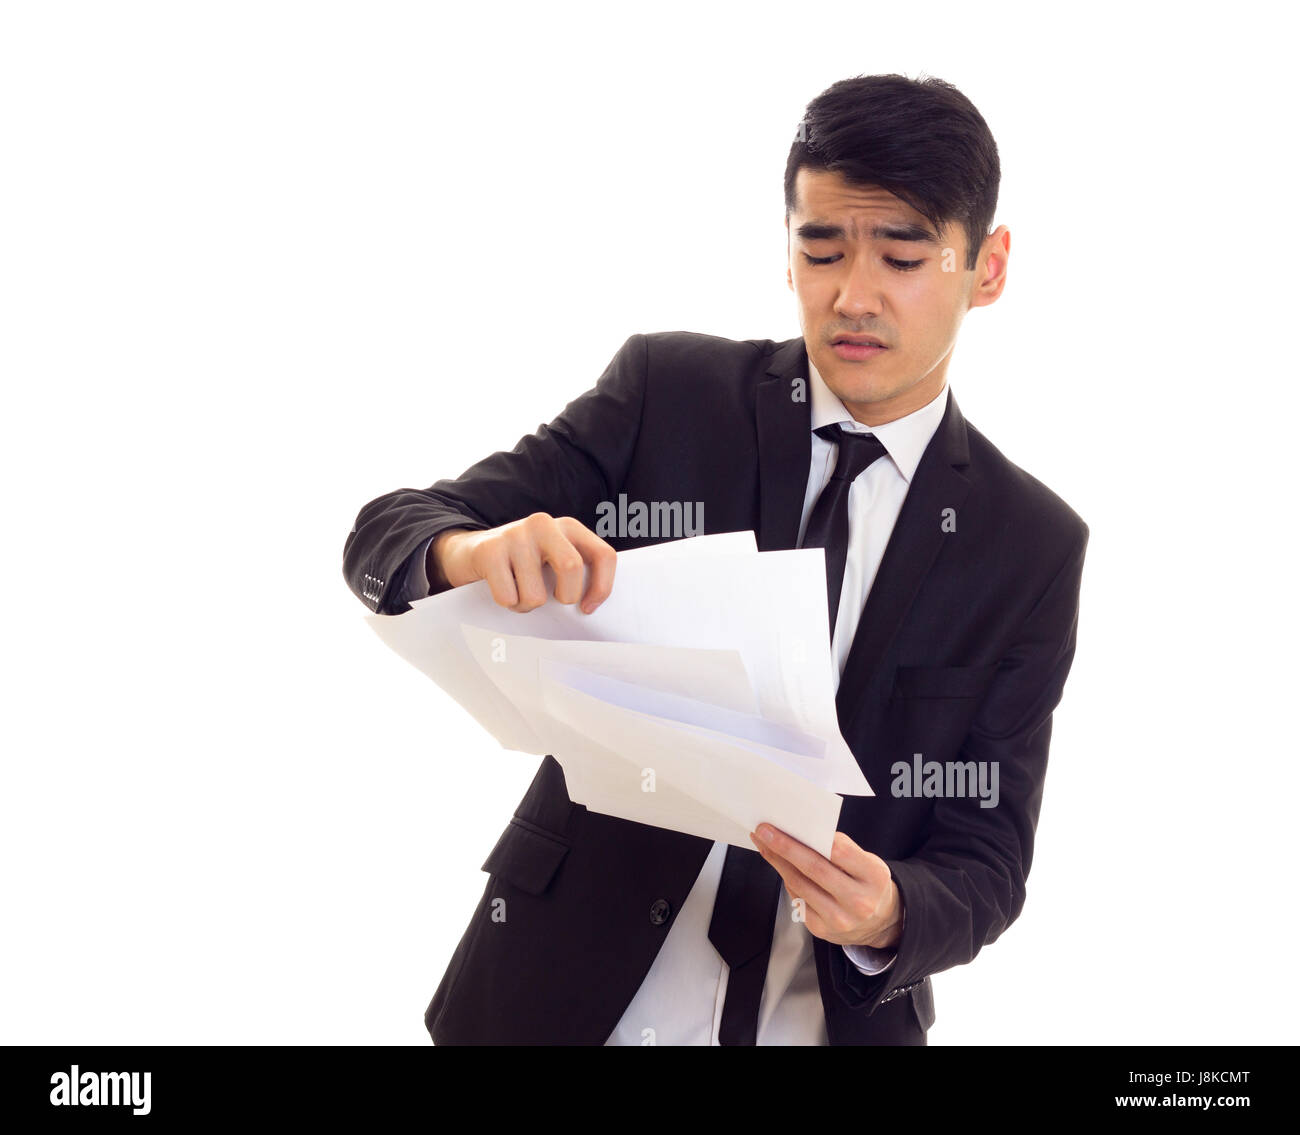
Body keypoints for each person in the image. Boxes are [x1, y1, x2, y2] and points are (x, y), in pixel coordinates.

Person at [342, 73, 1088, 1045]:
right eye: (819, 249)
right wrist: (467, 550)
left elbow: (987, 854)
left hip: (821, 1019)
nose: (851, 295)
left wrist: (890, 913)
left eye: (902, 255)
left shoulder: (1026, 543)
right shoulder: (671, 393)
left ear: (985, 267)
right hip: (557, 1002)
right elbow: (391, 528)